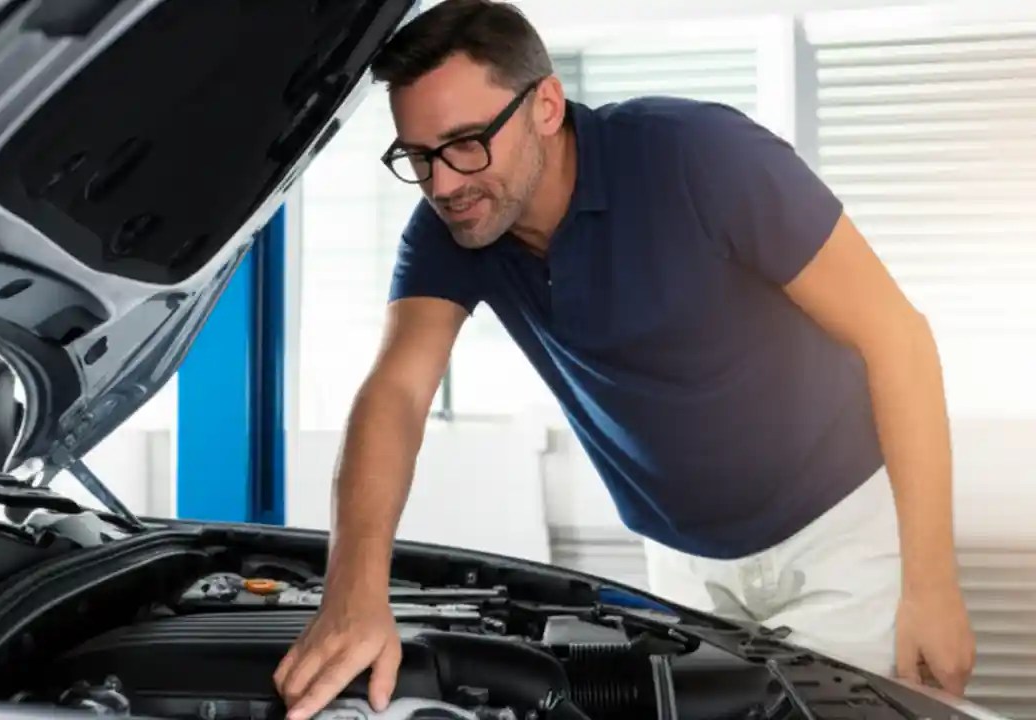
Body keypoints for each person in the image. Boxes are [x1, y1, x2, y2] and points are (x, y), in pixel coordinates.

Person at [273, 1, 976, 717]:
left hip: (841, 539)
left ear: (545, 104)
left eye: (466, 143)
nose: (445, 183)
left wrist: (932, 583)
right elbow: (395, 393)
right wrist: (352, 594)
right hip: (682, 562)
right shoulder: (453, 228)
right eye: (418, 156)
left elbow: (898, 337)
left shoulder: (699, 155)